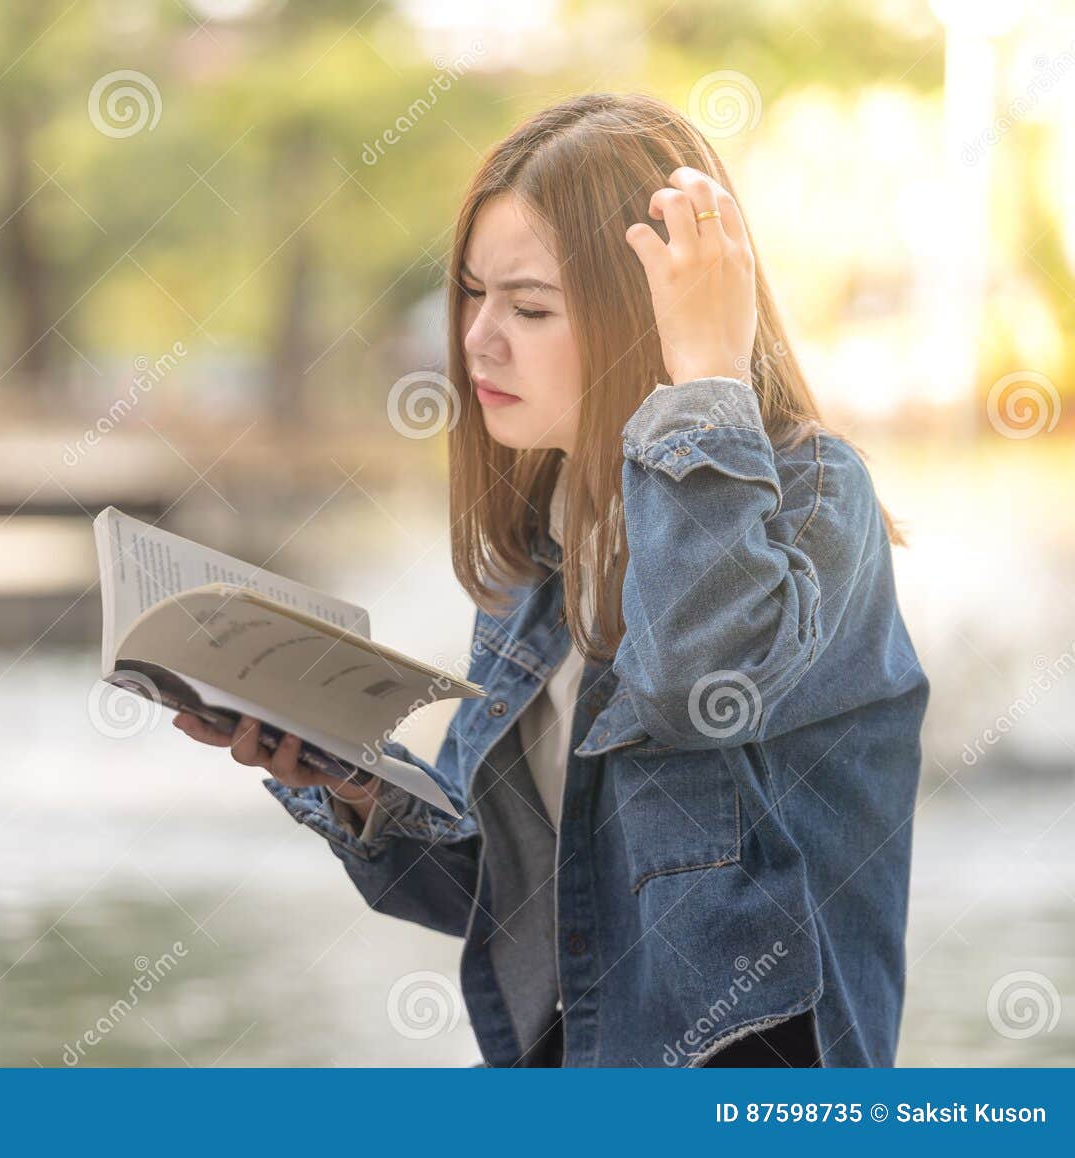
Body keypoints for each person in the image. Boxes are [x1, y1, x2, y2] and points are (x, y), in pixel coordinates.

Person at [174, 92, 928, 1067]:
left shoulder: (814, 498)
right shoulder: (549, 535)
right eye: (471, 293)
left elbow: (695, 689)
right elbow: (508, 895)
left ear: (643, 310)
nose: (478, 337)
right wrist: (342, 774)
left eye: (528, 306)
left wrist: (703, 377)